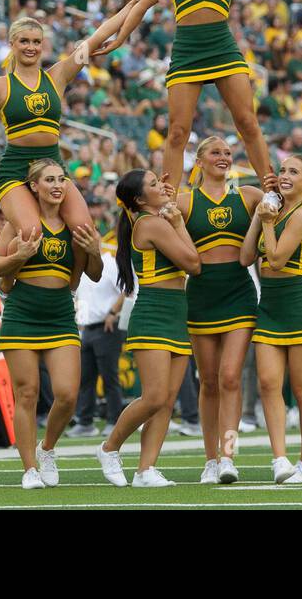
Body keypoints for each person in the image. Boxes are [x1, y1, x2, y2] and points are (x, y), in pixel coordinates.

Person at [93, 0, 302, 190]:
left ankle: (270, 191)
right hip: (187, 51)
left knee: (247, 122)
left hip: (223, 47)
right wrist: (120, 38)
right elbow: (143, 2)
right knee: (178, 132)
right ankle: (168, 201)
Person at [0, 3, 137, 238]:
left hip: (53, 166)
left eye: (36, 42)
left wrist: (133, 5)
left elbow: (98, 36)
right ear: (12, 44)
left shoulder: (57, 76)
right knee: (31, 231)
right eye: (24, 41)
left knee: (84, 231)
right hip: (16, 169)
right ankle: (4, 270)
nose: (31, 47)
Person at [0, 160, 103, 488]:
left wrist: (94, 251)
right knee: (27, 393)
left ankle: (47, 448)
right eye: (48, 180)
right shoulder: (20, 221)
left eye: (61, 179)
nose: (56, 185)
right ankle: (29, 469)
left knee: (67, 395)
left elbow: (92, 274)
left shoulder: (75, 223)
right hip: (22, 313)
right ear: (33, 186)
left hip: (60, 315)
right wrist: (18, 256)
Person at [97, 170, 201, 488]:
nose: (163, 187)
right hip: (154, 312)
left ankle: (146, 470)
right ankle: (109, 447)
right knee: (154, 396)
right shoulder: (152, 223)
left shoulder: (154, 218)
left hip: (175, 311)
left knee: (167, 400)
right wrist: (180, 224)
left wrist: (175, 217)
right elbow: (193, 264)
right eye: (154, 184)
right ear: (140, 200)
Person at [175, 136, 269, 484]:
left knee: (231, 376)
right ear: (198, 161)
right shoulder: (184, 202)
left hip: (238, 292)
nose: (224, 157)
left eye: (228, 153)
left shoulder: (248, 196)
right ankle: (210, 458)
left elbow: (282, 201)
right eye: (215, 152)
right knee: (209, 382)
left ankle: (228, 455)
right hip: (200, 295)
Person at [242, 155, 302, 484]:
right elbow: (246, 257)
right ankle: (280, 459)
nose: (284, 175)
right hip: (271, 305)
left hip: (300, 303)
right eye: (282, 170)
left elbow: (276, 259)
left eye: (293, 172)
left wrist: (266, 220)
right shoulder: (274, 209)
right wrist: (261, 213)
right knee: (267, 383)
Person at [71, 241, 127, 436]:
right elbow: (81, 298)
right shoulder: (80, 266)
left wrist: (113, 312)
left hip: (107, 327)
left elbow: (126, 288)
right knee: (86, 377)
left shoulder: (109, 263)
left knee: (109, 376)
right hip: (86, 328)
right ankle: (85, 421)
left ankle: (115, 420)